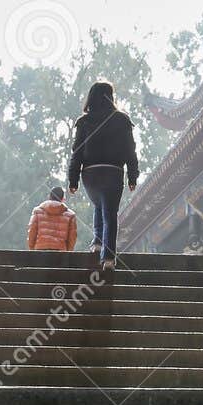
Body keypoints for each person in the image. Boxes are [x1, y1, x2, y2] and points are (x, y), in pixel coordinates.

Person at [67, 80, 139, 271]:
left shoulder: (84, 121)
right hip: (113, 171)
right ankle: (108, 257)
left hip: (90, 173)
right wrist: (133, 176)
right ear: (111, 96)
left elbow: (78, 152)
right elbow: (130, 151)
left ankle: (97, 242)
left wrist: (72, 178)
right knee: (110, 214)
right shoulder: (123, 120)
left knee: (100, 203)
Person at [27, 184, 78, 252]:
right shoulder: (71, 215)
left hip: (40, 251)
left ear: (49, 196)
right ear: (63, 198)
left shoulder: (37, 211)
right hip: (60, 254)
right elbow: (72, 238)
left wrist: (32, 249)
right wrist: (67, 252)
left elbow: (32, 233)